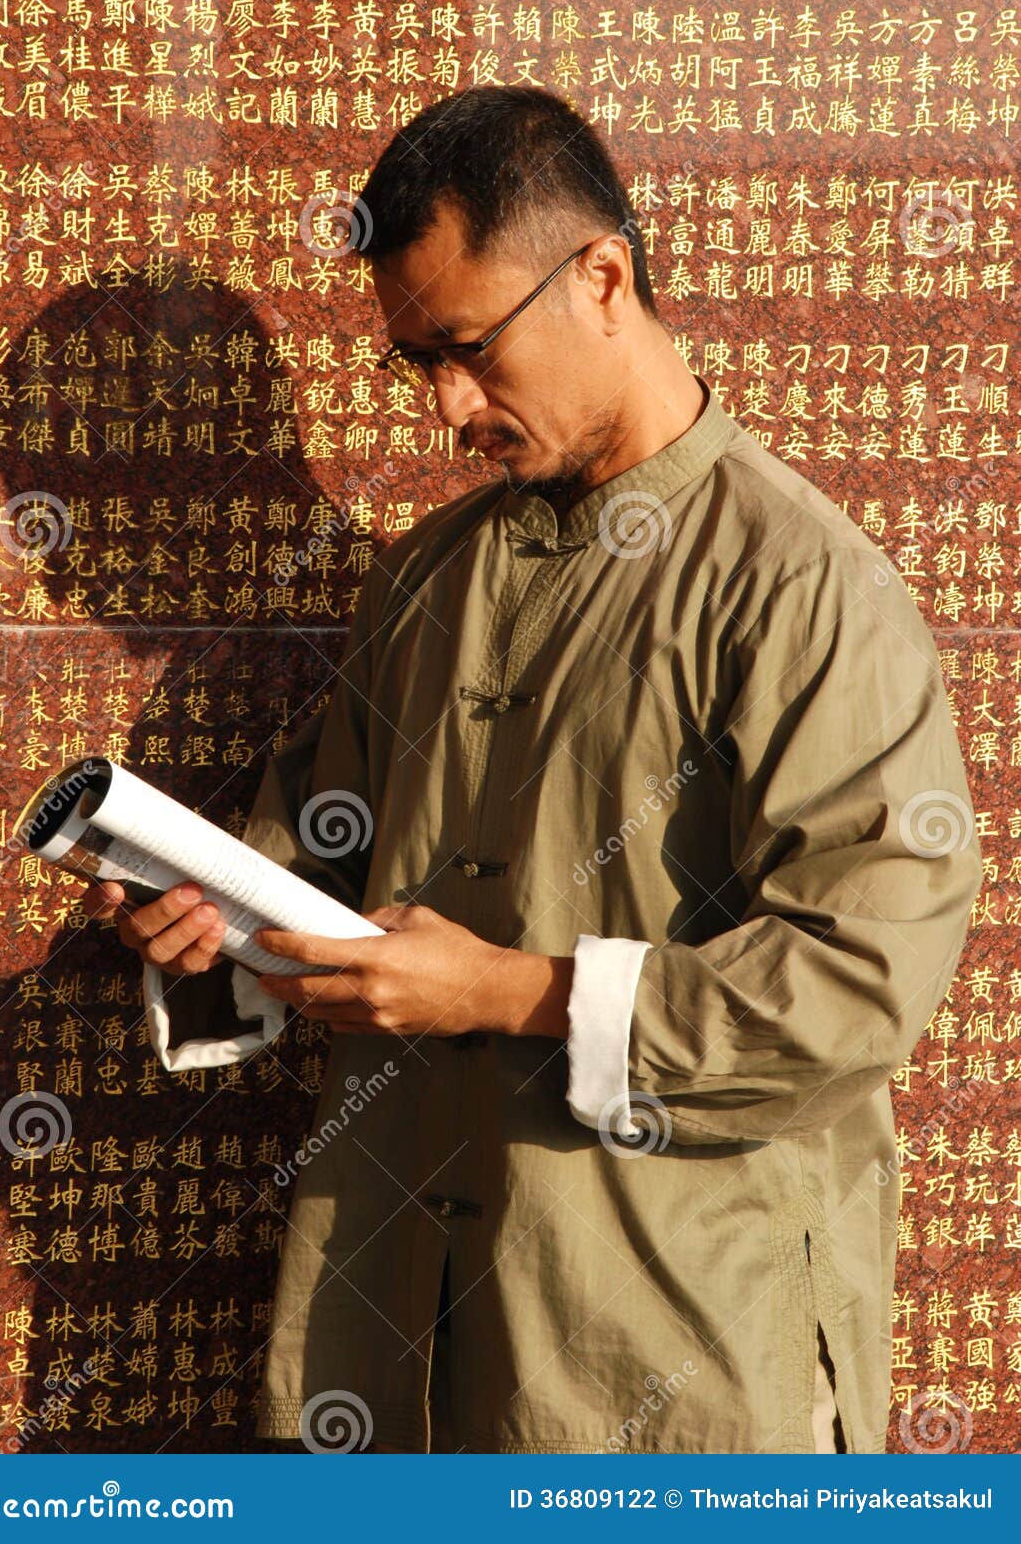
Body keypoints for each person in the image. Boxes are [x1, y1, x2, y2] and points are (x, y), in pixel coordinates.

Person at [82, 86, 982, 1455]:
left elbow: (859, 985)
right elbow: (312, 865)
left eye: (466, 348)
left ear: (602, 275)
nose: (446, 403)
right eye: (413, 364)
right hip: (397, 1336)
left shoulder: (802, 586)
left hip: (665, 1347)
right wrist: (214, 928)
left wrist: (511, 991)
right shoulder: (427, 580)